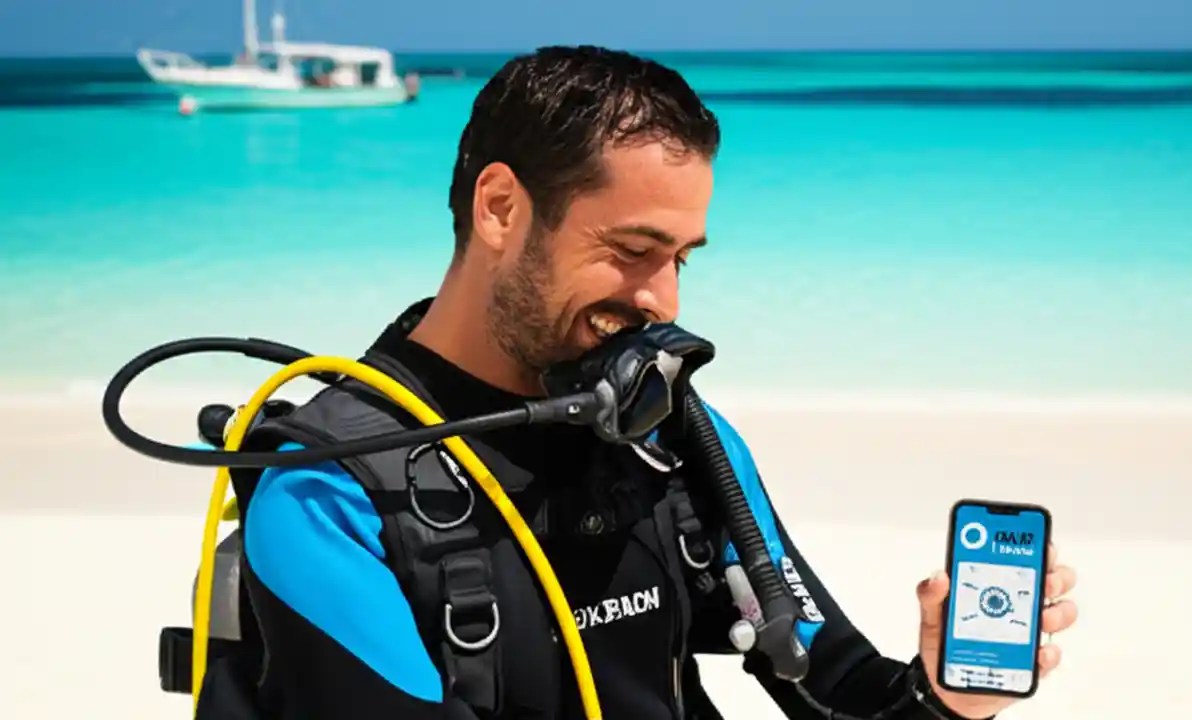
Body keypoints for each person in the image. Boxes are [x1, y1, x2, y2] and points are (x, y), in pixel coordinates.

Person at [214, 45, 1079, 720]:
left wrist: (946, 696)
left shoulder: (675, 437)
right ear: (501, 209)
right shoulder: (329, 492)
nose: (661, 301)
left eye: (680, 260)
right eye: (631, 253)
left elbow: (845, 694)